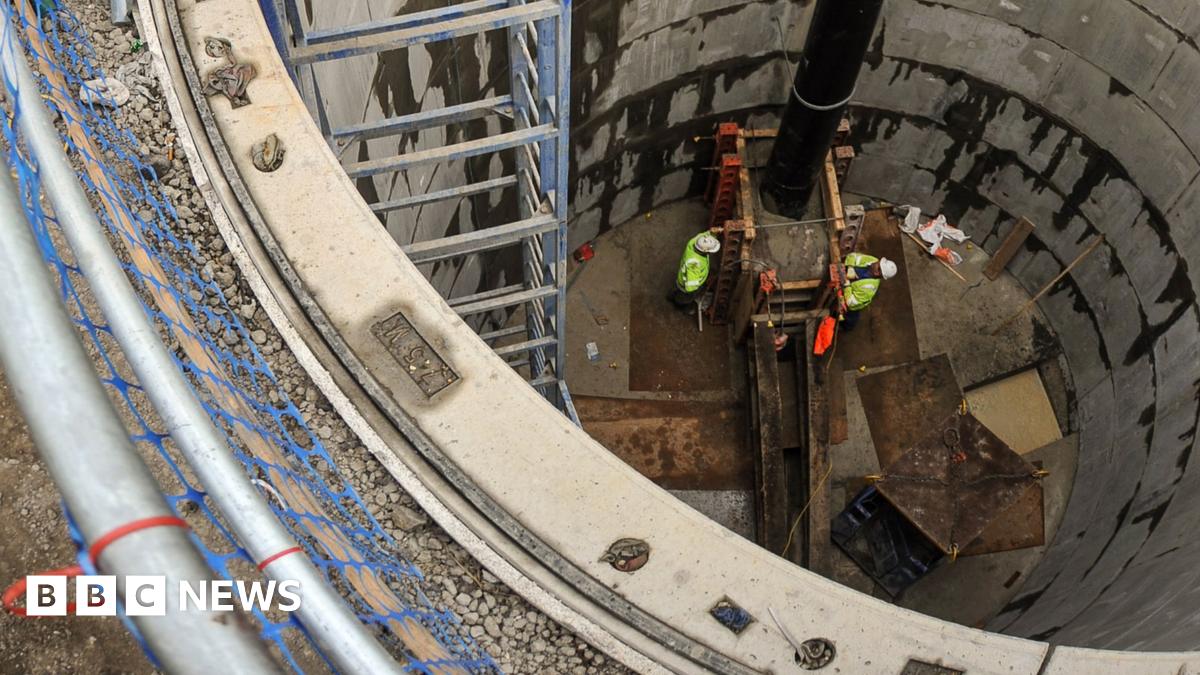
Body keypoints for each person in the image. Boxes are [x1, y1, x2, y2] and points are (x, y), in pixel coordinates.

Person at [840, 252, 897, 330]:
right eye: (879, 261)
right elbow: (853, 255)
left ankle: (847, 327)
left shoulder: (868, 288)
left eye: (878, 265)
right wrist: (850, 267)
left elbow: (851, 303)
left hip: (853, 305)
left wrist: (847, 286)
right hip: (848, 285)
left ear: (877, 273)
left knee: (850, 317)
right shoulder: (872, 260)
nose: (876, 262)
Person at [671, 232, 721, 310]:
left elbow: (703, 236)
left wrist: (712, 233)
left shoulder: (693, 242)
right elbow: (690, 286)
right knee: (684, 298)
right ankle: (680, 305)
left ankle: (672, 295)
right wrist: (698, 288)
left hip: (681, 278)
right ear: (705, 251)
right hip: (686, 286)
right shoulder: (695, 264)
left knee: (677, 291)